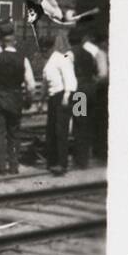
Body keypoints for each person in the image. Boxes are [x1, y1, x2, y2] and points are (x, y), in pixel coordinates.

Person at [0, 21, 36, 175]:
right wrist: (29, 100)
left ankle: (0, 166)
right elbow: (31, 85)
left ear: (2, 41)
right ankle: (14, 166)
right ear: (15, 40)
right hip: (15, 98)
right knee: (14, 134)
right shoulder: (24, 60)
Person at [70, 27, 109, 169]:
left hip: (80, 92)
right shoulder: (95, 53)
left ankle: (81, 160)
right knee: (88, 124)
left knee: (79, 124)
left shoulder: (72, 53)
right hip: (92, 91)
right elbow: (101, 74)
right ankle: (86, 156)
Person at [38, 33, 76, 175]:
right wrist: (42, 102)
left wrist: (67, 96)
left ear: (50, 48)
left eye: (45, 49)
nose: (43, 52)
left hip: (64, 96)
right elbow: (45, 85)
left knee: (62, 131)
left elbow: (69, 78)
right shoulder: (48, 62)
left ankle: (62, 163)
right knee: (51, 131)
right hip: (53, 98)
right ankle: (52, 162)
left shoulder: (61, 59)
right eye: (42, 49)